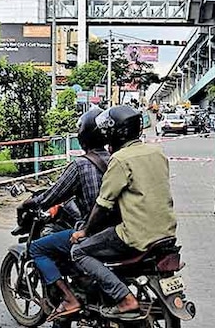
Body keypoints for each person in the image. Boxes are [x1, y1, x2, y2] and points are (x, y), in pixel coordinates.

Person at [70, 104, 177, 320]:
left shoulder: (120, 160)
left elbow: (103, 204)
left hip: (136, 236)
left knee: (79, 251)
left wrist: (85, 231)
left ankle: (124, 298)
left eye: (108, 132)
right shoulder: (156, 152)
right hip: (166, 232)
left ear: (116, 133)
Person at [20, 106, 111, 321]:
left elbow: (52, 196)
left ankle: (69, 298)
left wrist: (30, 203)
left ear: (82, 137)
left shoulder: (80, 165)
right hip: (118, 229)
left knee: (37, 248)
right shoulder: (116, 160)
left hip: (94, 232)